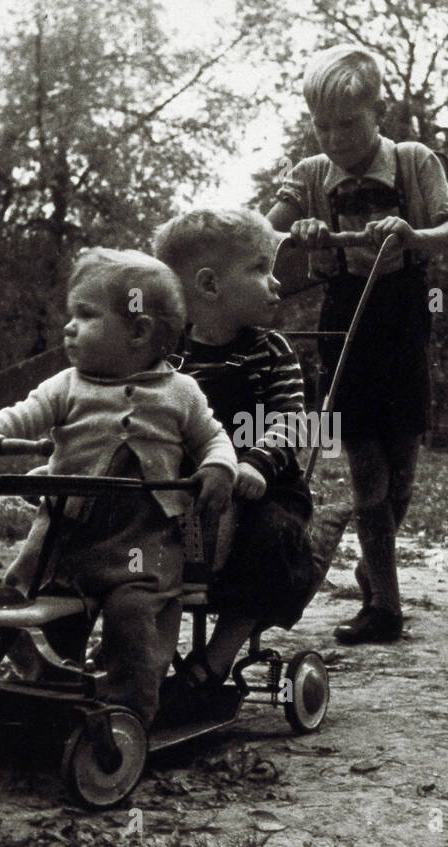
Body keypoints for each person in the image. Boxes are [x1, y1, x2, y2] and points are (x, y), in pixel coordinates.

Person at [0, 248, 235, 727]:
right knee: (12, 600)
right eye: (71, 315)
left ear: (138, 331)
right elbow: (18, 415)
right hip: (64, 540)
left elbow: (213, 438)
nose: (69, 327)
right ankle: (48, 681)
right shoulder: (65, 386)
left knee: (133, 615)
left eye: (86, 316)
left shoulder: (181, 393)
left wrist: (219, 467)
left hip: (143, 546)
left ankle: (129, 708)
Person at [266, 44, 448, 643]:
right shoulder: (309, 176)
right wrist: (297, 230)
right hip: (344, 316)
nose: (334, 137)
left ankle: (371, 566)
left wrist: (413, 232)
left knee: (400, 471)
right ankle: (385, 607)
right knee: (368, 473)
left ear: (377, 112)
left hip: (403, 316)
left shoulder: (412, 161)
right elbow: (263, 232)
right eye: (321, 125)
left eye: (347, 124)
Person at [152, 207, 319, 695]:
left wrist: (256, 462)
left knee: (269, 541)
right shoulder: (167, 357)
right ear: (209, 285)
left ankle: (214, 661)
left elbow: (291, 421)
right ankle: (137, 648)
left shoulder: (271, 352)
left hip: (261, 489)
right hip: (185, 489)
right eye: (260, 270)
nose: (276, 284)